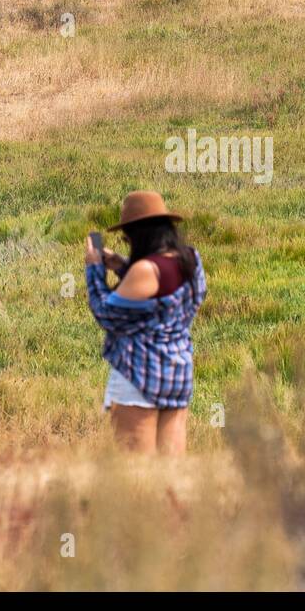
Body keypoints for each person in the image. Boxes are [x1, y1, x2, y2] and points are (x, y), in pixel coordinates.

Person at [85, 191, 206, 455]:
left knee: (136, 472)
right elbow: (160, 295)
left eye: (127, 237)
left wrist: (94, 268)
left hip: (138, 375)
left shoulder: (145, 270)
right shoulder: (191, 261)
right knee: (172, 471)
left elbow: (105, 313)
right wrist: (122, 266)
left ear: (138, 234)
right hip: (177, 373)